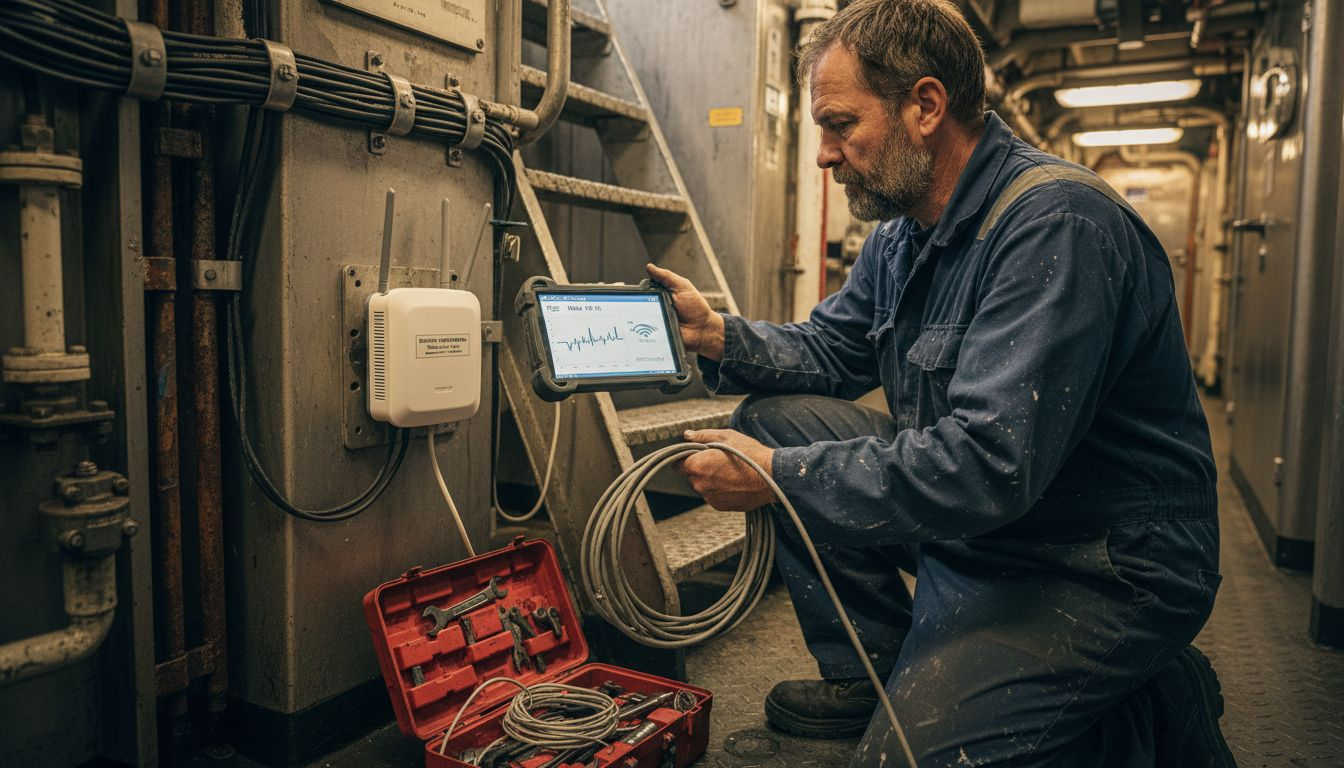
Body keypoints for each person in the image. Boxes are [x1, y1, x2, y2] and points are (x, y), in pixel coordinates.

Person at [647, 1, 1235, 765]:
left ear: (925, 106)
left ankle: (1144, 706)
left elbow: (989, 464)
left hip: (1099, 560)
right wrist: (719, 335)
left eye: (839, 125)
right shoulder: (903, 234)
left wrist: (780, 480)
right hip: (994, 526)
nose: (824, 155)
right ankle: (877, 671)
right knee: (780, 420)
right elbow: (833, 348)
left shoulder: (1056, 227)